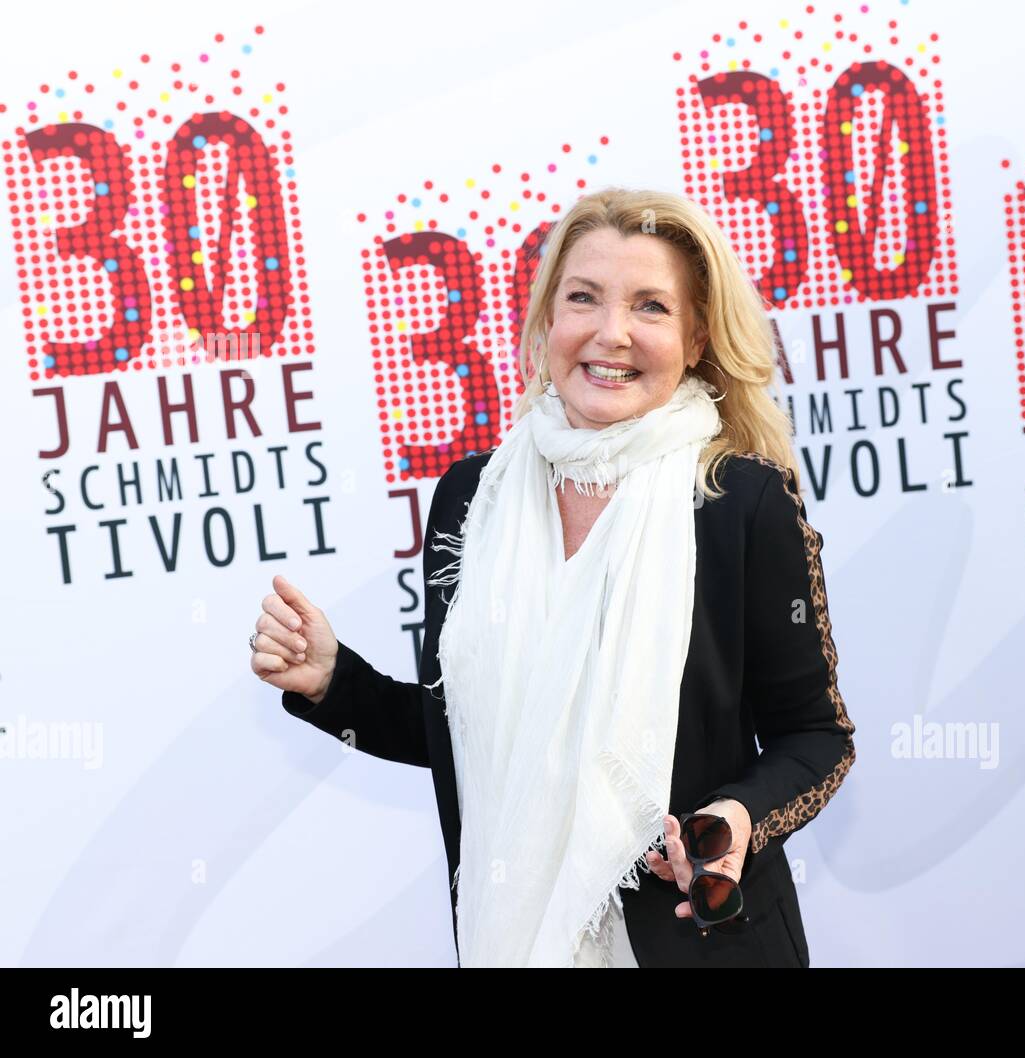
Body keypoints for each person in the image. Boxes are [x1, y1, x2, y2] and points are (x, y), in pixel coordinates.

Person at [250, 186, 856, 967]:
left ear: (698, 336)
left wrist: (736, 821)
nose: (612, 334)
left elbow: (818, 738)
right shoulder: (474, 499)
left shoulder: (741, 502)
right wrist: (334, 682)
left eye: (650, 307)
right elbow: (473, 735)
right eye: (584, 299)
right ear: (545, 322)